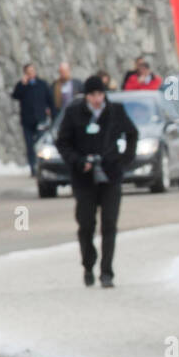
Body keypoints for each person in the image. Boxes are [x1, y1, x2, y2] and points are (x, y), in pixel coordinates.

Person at [55, 74, 137, 287]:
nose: (97, 98)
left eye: (100, 93)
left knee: (109, 224)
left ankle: (107, 272)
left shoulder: (115, 111)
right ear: (86, 96)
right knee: (86, 224)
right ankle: (88, 265)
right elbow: (62, 143)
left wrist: (123, 160)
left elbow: (132, 134)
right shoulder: (74, 113)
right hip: (84, 179)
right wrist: (79, 161)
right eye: (93, 95)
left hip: (110, 176)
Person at [12, 63, 54, 175]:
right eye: (28, 72)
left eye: (32, 71)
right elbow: (15, 95)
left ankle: (43, 166)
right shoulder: (22, 86)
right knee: (30, 146)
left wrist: (50, 110)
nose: (31, 73)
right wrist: (23, 84)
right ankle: (33, 167)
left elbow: (50, 99)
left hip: (40, 119)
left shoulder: (42, 84)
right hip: (27, 120)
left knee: (41, 144)